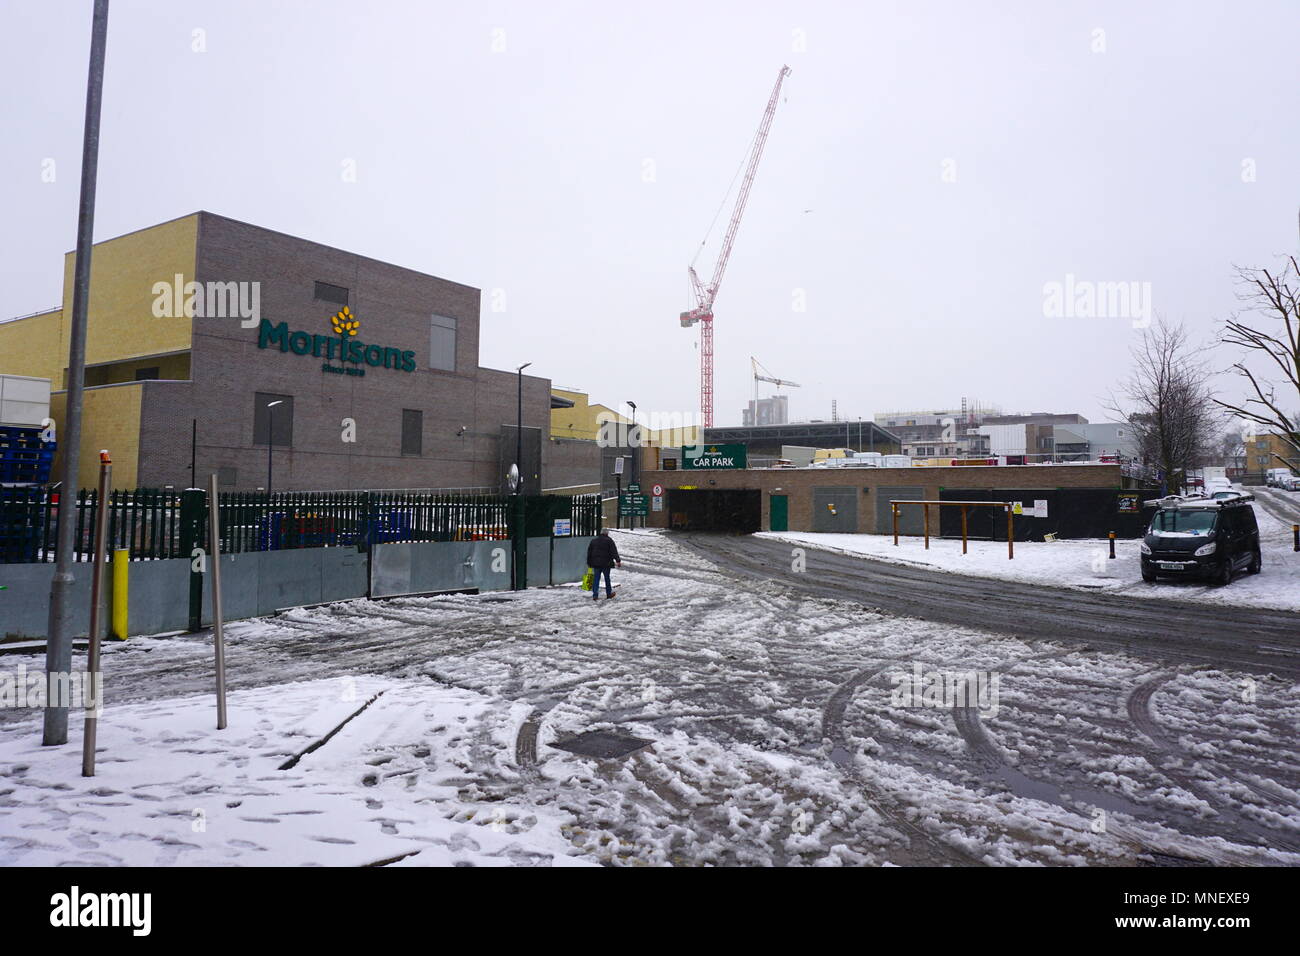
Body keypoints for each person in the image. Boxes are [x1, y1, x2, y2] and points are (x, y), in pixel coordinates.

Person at [585, 528, 621, 601]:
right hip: (606, 564)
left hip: (596, 564)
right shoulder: (609, 541)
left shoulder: (594, 541)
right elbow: (614, 551)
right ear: (607, 533)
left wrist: (589, 563)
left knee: (596, 579)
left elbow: (589, 553)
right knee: (607, 579)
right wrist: (618, 561)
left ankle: (595, 595)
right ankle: (608, 594)